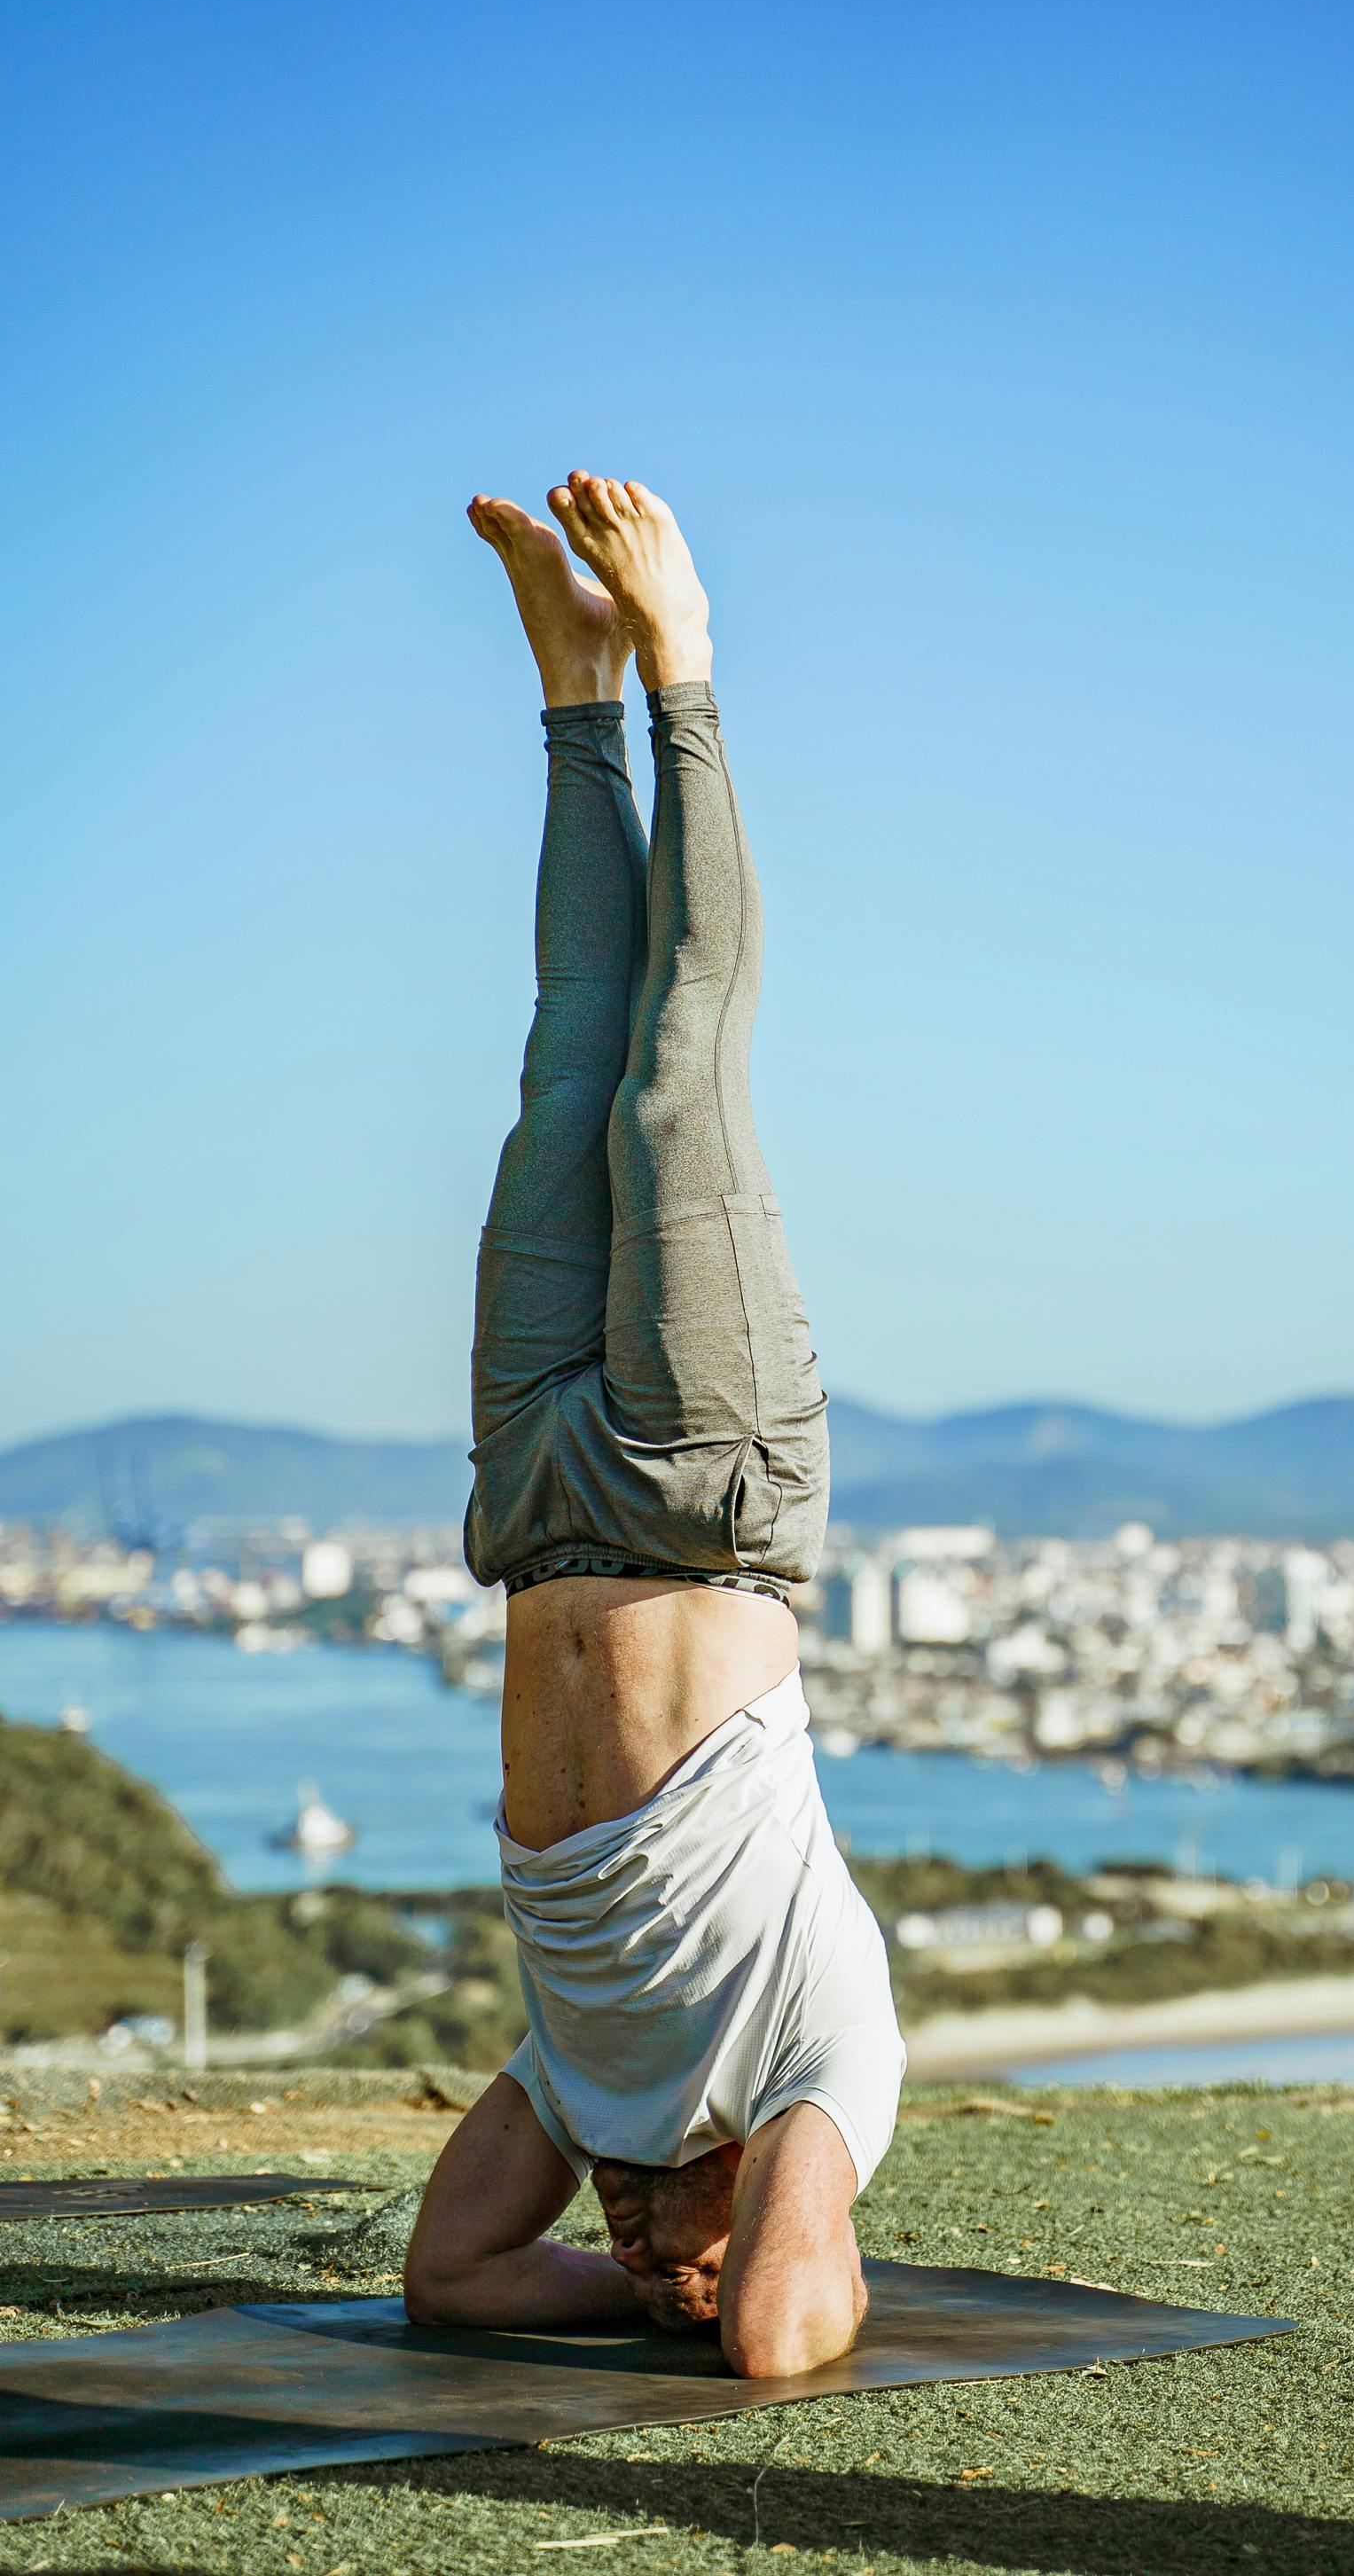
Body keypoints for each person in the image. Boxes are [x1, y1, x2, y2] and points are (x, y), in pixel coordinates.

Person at [402, 473, 904, 2377]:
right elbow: (780, 2340)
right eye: (672, 2267)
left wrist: (621, 2282)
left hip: (535, 1498)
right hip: (711, 1499)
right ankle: (683, 668)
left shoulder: (589, 2101)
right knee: (677, 1074)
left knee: (564, 1054)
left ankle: (567, 688)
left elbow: (450, 2278)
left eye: (651, 2284)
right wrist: (724, 2284)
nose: (655, 2270)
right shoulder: (824, 2062)